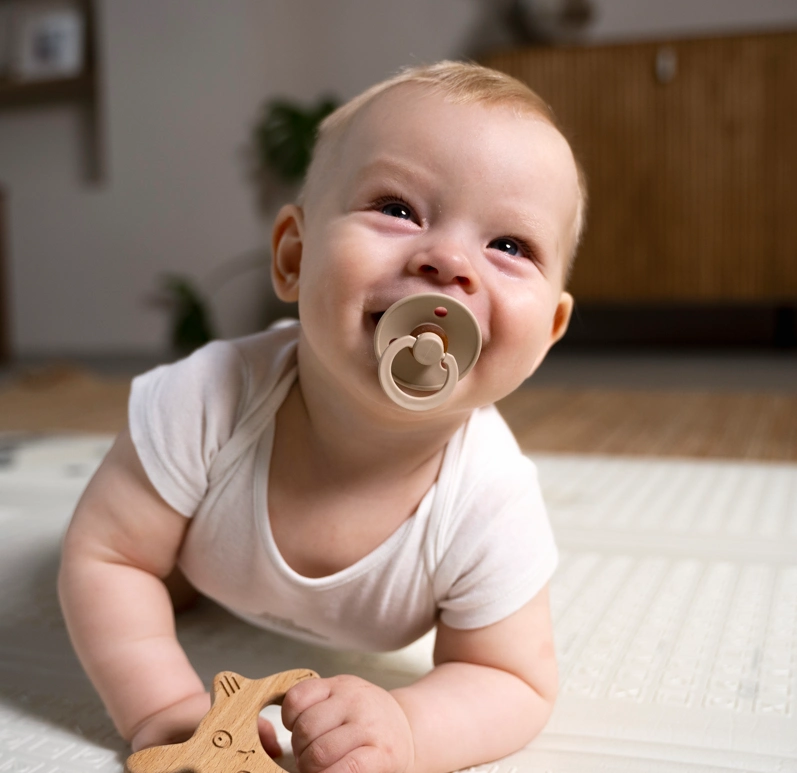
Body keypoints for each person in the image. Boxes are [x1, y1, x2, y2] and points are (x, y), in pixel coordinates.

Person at [58, 60, 587, 773]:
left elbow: (512, 678)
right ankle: (179, 567)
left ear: (548, 333)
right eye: (398, 208)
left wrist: (404, 725)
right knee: (147, 551)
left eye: (509, 246)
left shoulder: (489, 499)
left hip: (250, 568)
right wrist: (163, 709)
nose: (449, 262)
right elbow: (107, 557)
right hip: (202, 559)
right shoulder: (207, 397)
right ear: (294, 256)